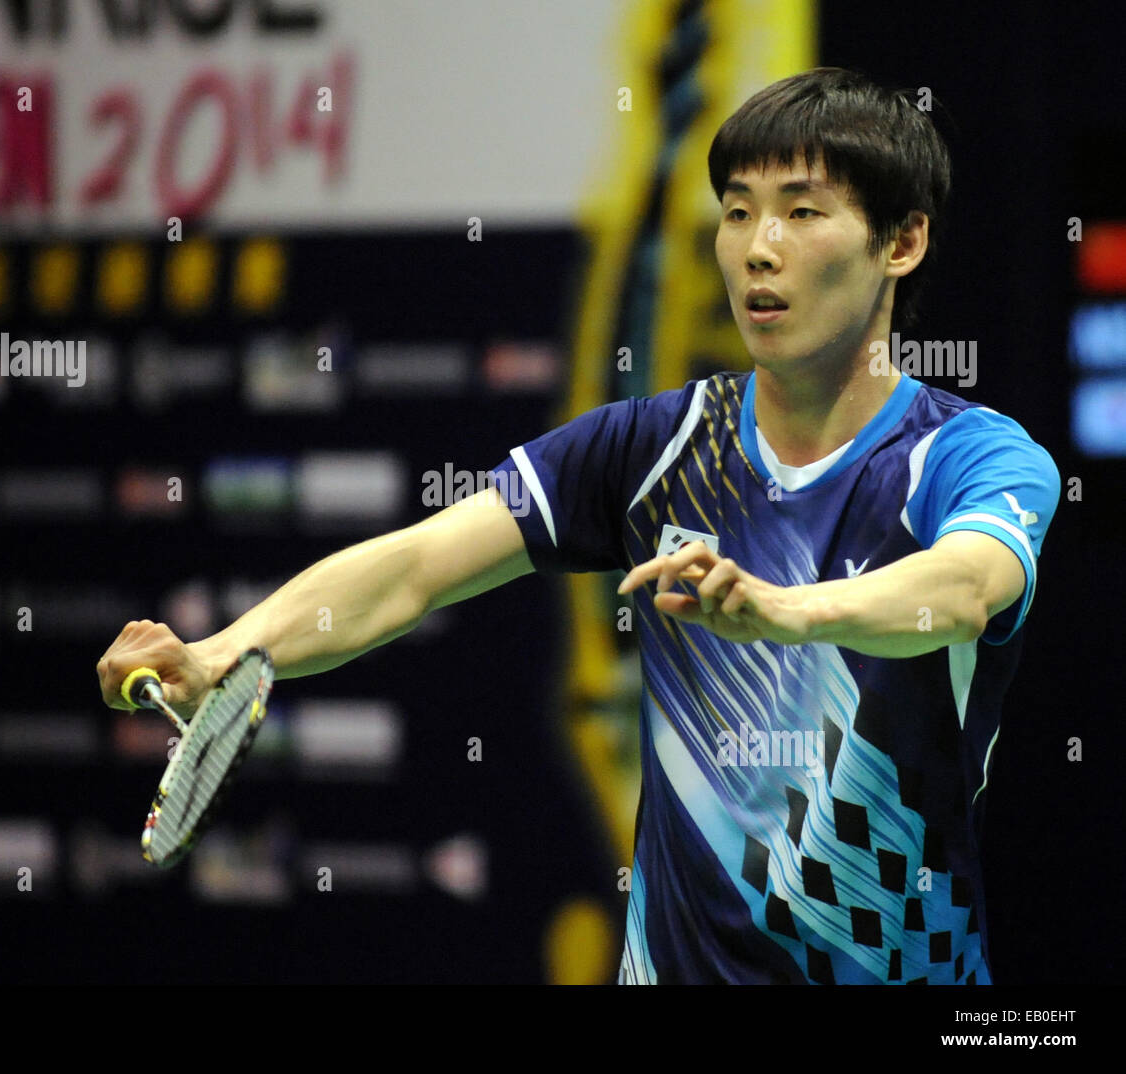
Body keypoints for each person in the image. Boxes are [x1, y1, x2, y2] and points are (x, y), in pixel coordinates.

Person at [97, 67, 1059, 984]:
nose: (759, 247)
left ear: (902, 242)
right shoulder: (656, 446)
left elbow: (966, 589)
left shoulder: (973, 458)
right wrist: (228, 651)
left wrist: (788, 613)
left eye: (803, 212)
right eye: (735, 211)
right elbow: (416, 566)